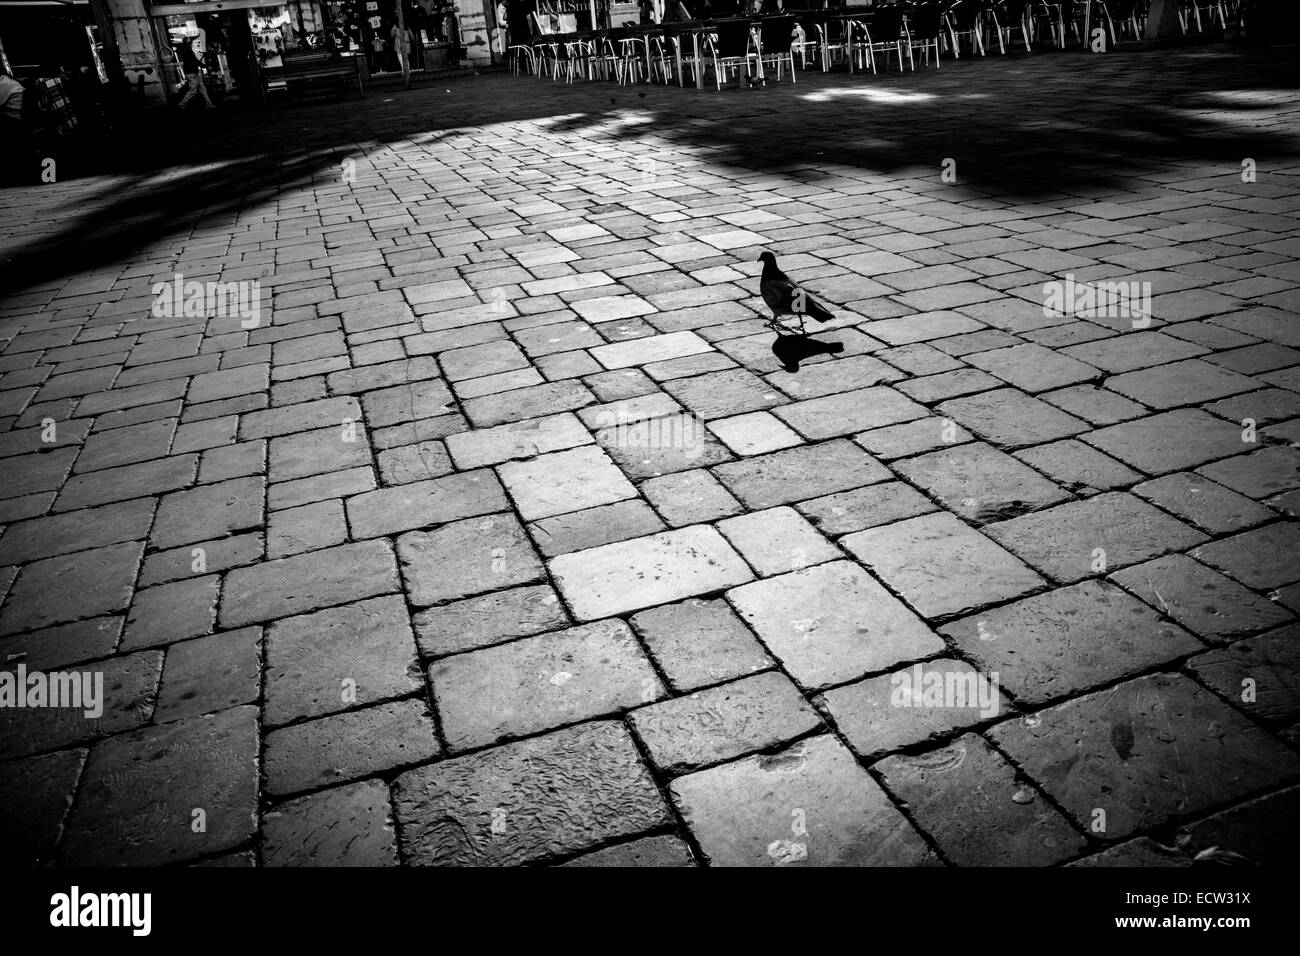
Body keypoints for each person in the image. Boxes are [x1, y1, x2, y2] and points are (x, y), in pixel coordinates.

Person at [176, 36, 213, 109]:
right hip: (192, 74)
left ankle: (208, 104)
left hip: (195, 73)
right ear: (187, 43)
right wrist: (203, 65)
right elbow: (194, 62)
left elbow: (196, 61)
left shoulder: (189, 51)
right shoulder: (187, 51)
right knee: (193, 91)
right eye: (190, 42)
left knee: (203, 89)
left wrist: (203, 65)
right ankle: (181, 104)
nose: (191, 43)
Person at [391, 20, 414, 87]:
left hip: (404, 43)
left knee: (404, 61)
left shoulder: (402, 26)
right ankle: (406, 75)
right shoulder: (398, 26)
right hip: (402, 43)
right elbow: (411, 35)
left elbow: (392, 34)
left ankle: (406, 75)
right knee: (404, 60)